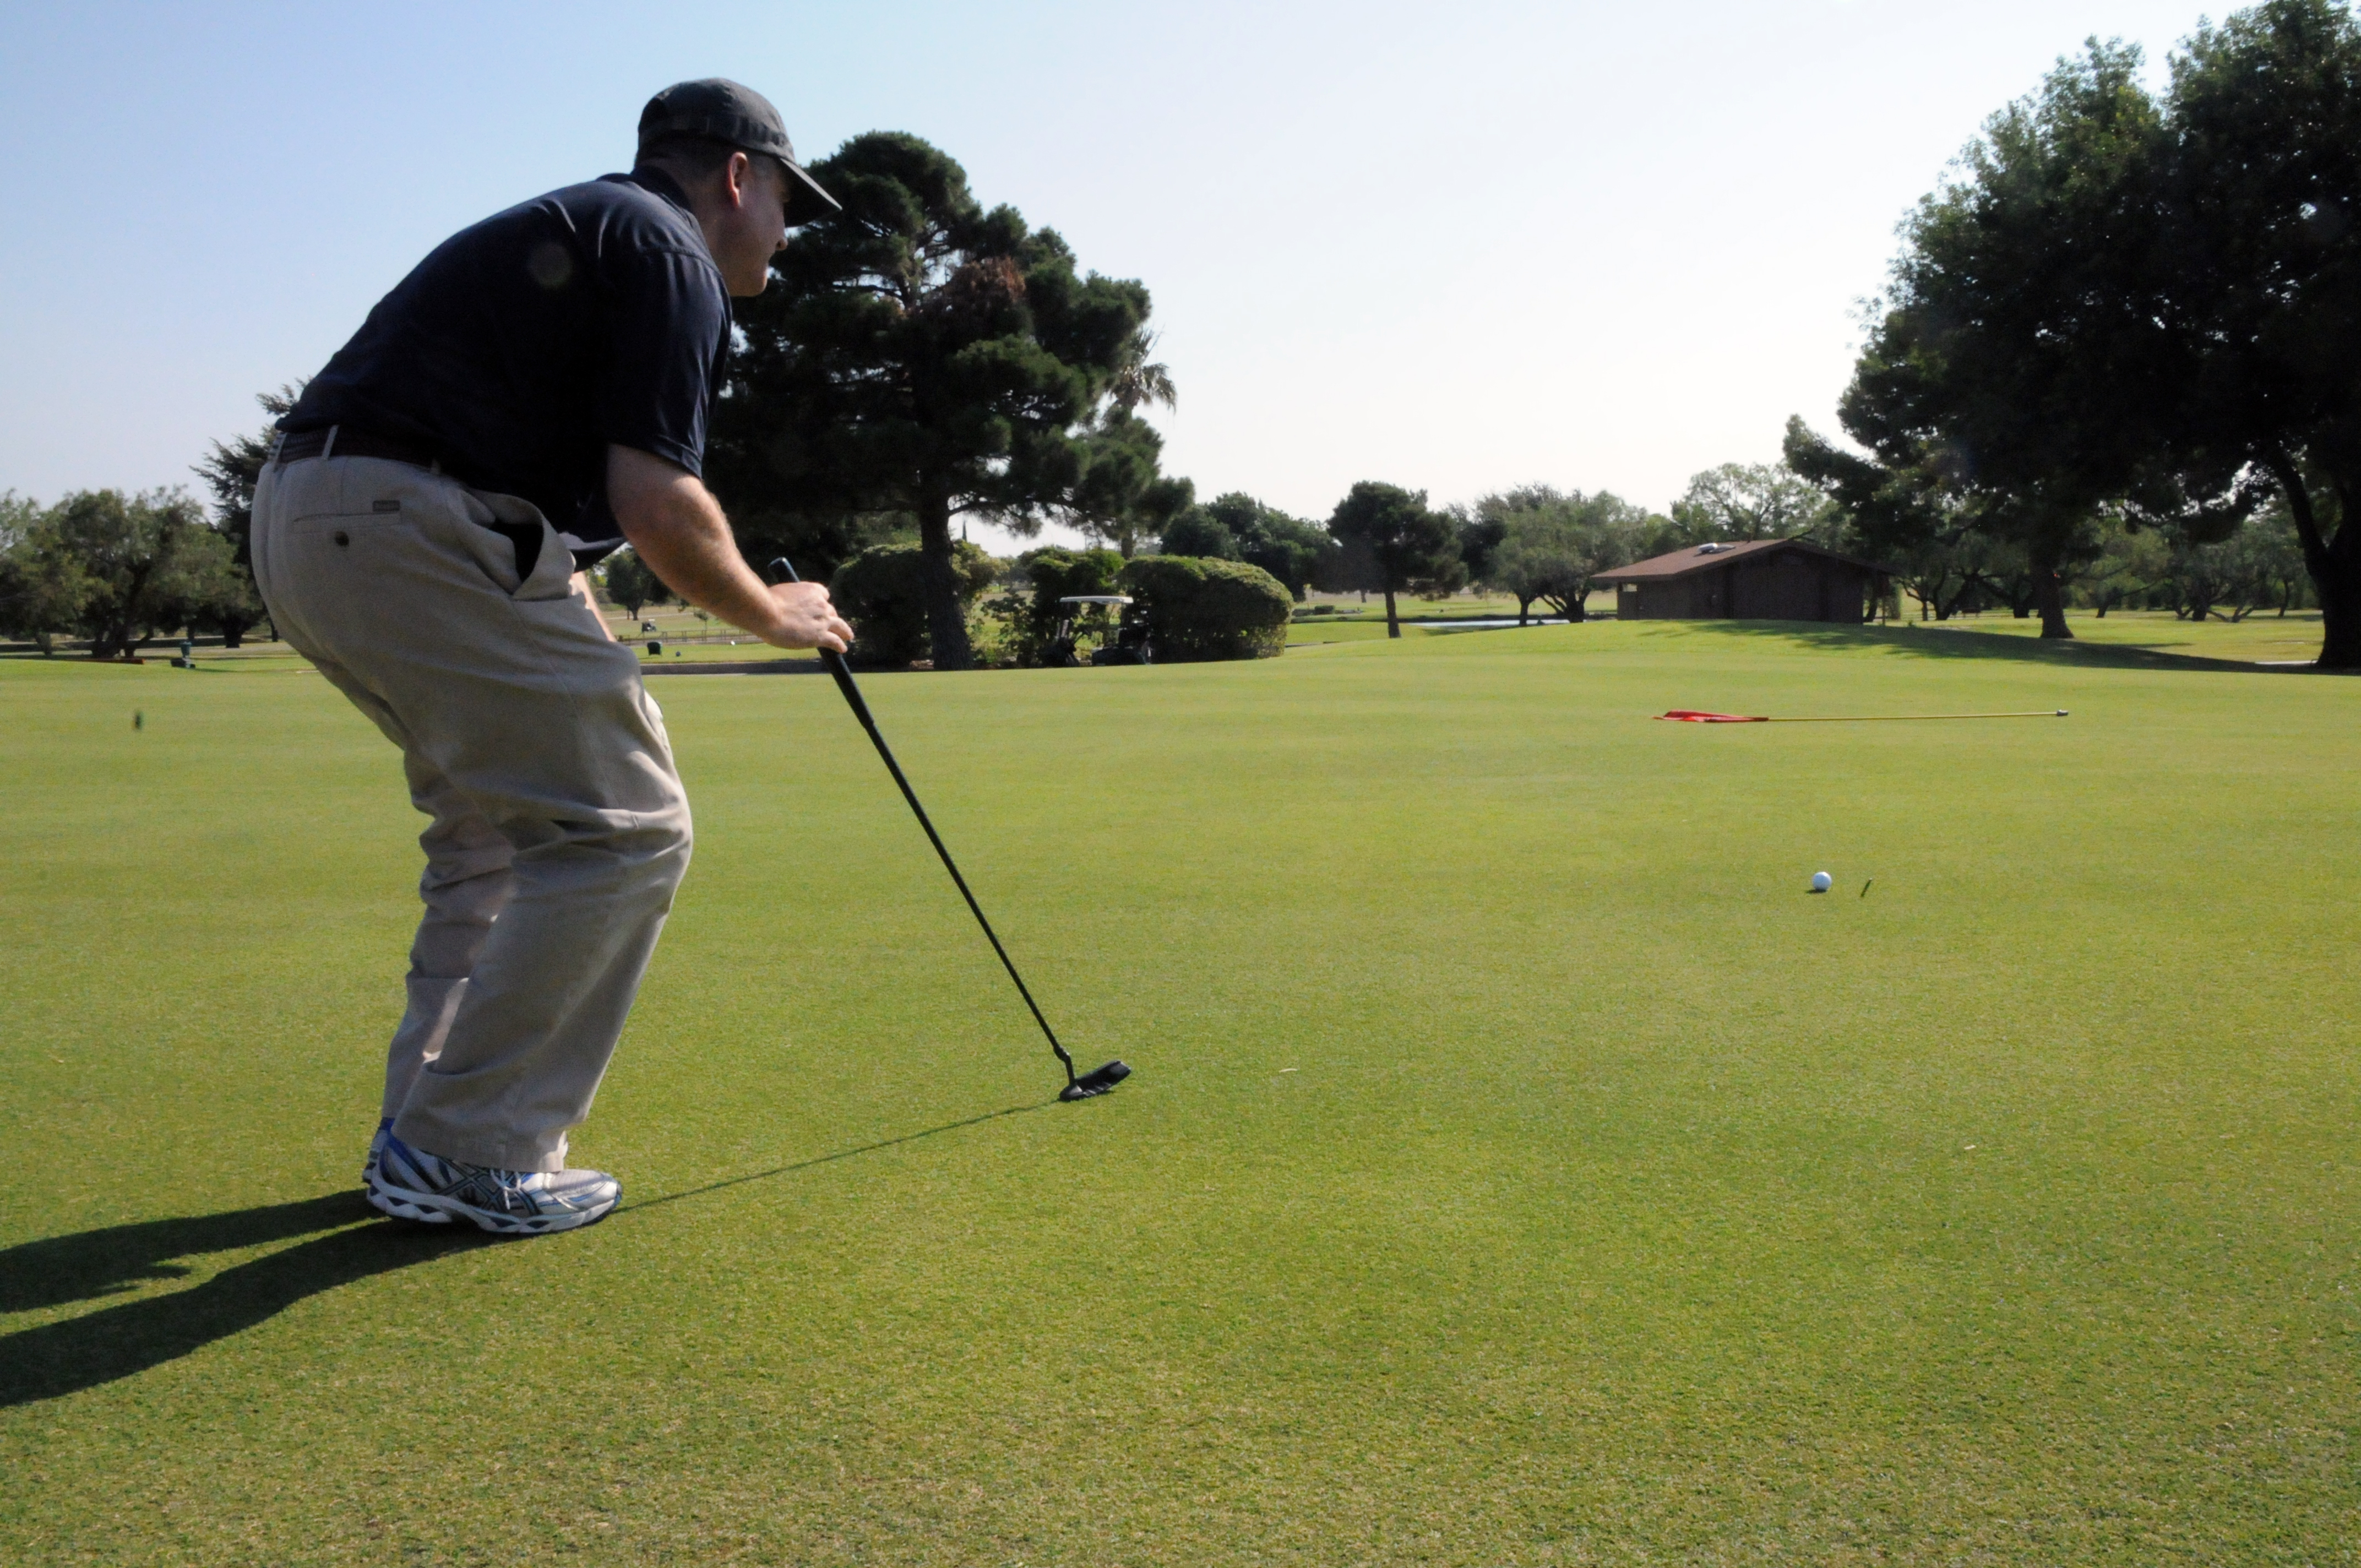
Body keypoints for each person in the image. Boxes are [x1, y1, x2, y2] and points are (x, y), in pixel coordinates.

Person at [249, 80, 852, 1235]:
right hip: (406, 520)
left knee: (493, 838)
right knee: (623, 828)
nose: (784, 229)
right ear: (736, 176)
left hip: (315, 517)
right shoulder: (669, 252)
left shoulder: (585, 232)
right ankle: (468, 1146)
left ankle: (424, 1131)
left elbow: (551, 501)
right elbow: (661, 503)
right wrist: (775, 614)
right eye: (785, 199)